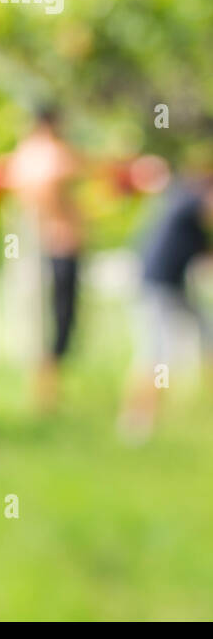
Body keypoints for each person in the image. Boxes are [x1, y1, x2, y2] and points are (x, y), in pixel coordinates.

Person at [2, 105, 86, 409]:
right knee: (59, 316)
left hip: (32, 246)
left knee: (40, 315)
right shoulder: (52, 155)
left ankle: (44, 388)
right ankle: (47, 388)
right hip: (58, 244)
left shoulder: (22, 155)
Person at [119, 170, 213, 439]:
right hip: (156, 288)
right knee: (156, 354)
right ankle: (137, 424)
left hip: (174, 287)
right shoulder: (189, 202)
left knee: (208, 334)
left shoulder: (189, 218)